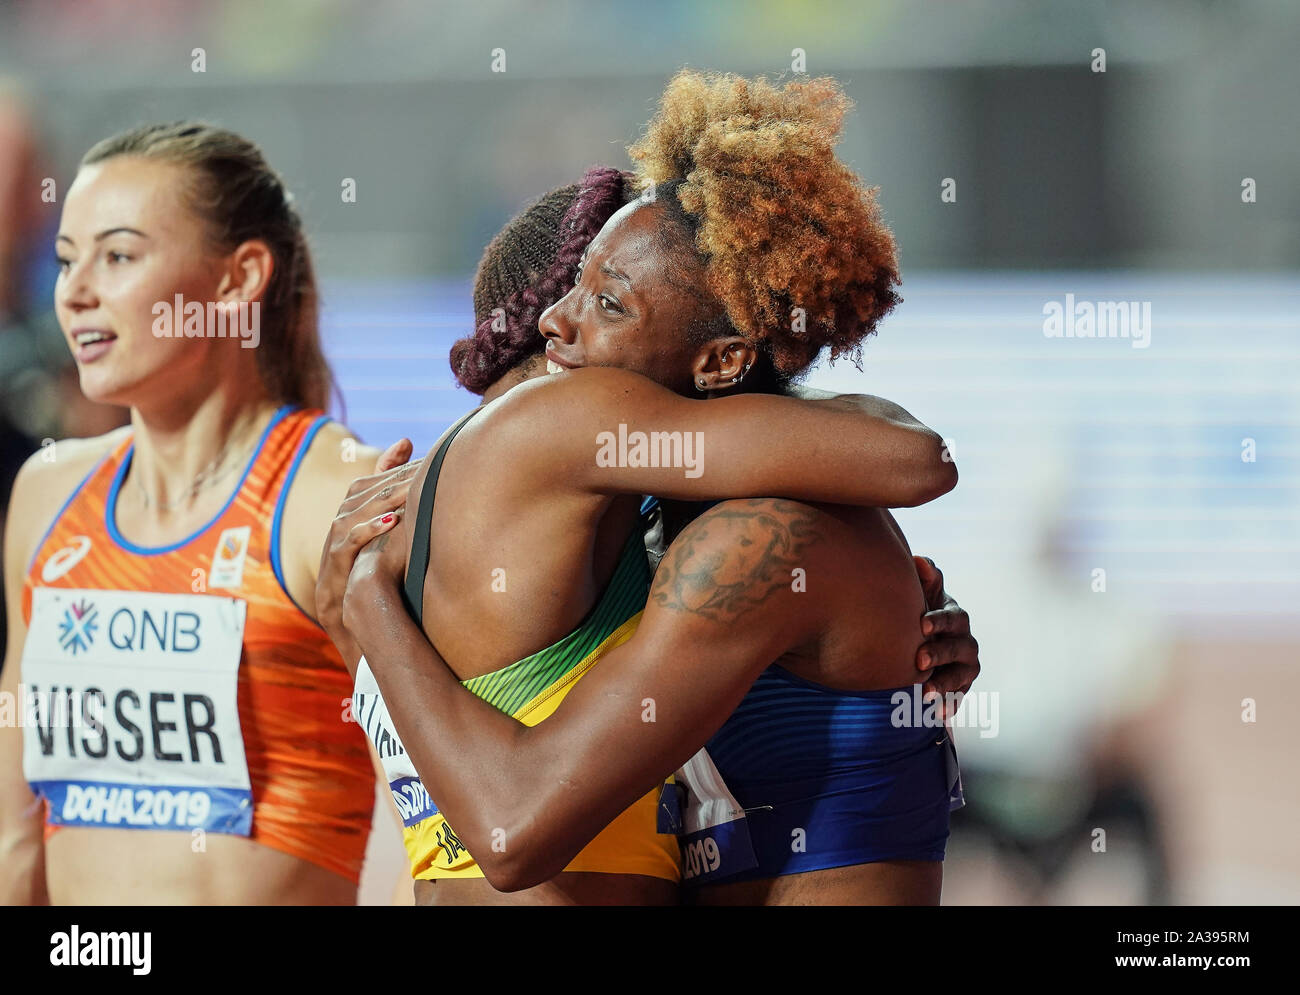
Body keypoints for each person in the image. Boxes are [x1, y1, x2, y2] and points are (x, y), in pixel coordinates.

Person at [322, 72, 976, 905]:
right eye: (573, 288)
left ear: (721, 360)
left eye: (609, 303)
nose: (561, 324)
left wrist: (371, 605)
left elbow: (507, 831)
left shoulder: (750, 542)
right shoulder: (655, 533)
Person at [0, 121, 409, 905]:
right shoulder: (46, 494)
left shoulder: (338, 495)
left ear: (238, 278)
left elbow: (431, 827)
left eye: (118, 256)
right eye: (64, 259)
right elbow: (17, 834)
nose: (74, 290)